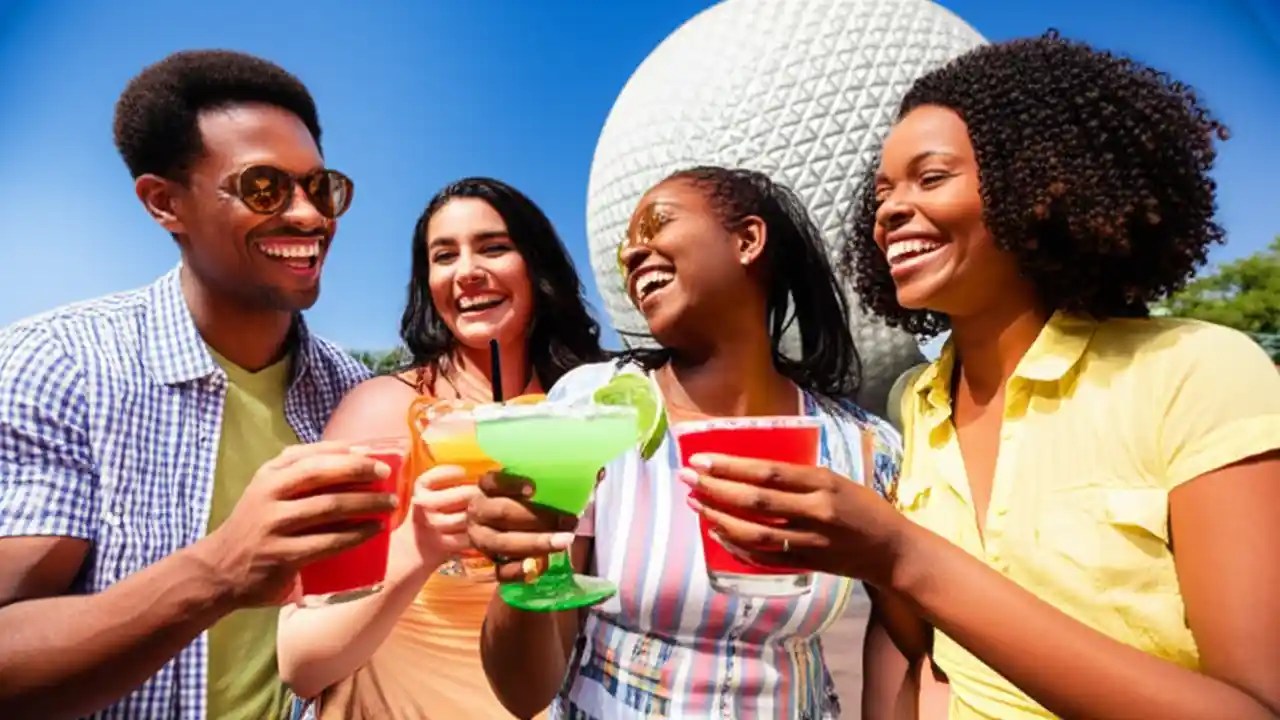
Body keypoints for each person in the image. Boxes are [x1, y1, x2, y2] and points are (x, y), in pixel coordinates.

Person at [680, 32, 1280, 720]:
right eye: (882, 193)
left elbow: (1251, 709)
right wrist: (874, 565)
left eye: (930, 178)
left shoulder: (1197, 373)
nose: (889, 211)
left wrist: (902, 554)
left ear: (1041, 182)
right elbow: (911, 646)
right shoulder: (917, 404)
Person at [0, 50, 390, 719]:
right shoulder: (59, 363)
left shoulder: (353, 396)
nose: (309, 217)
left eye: (321, 188)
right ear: (164, 202)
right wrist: (222, 570)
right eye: (264, 187)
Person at [467, 166, 902, 719]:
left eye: (657, 224)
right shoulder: (593, 411)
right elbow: (524, 693)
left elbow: (909, 647)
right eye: (626, 245)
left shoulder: (864, 449)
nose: (630, 255)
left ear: (747, 240)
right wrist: (522, 570)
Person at [276, 177, 606, 719]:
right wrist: (419, 546)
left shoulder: (574, 422)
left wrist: (527, 566)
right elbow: (300, 663)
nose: (467, 270)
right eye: (444, 255)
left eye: (494, 247)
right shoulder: (382, 411)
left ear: (537, 267)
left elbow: (553, 662)